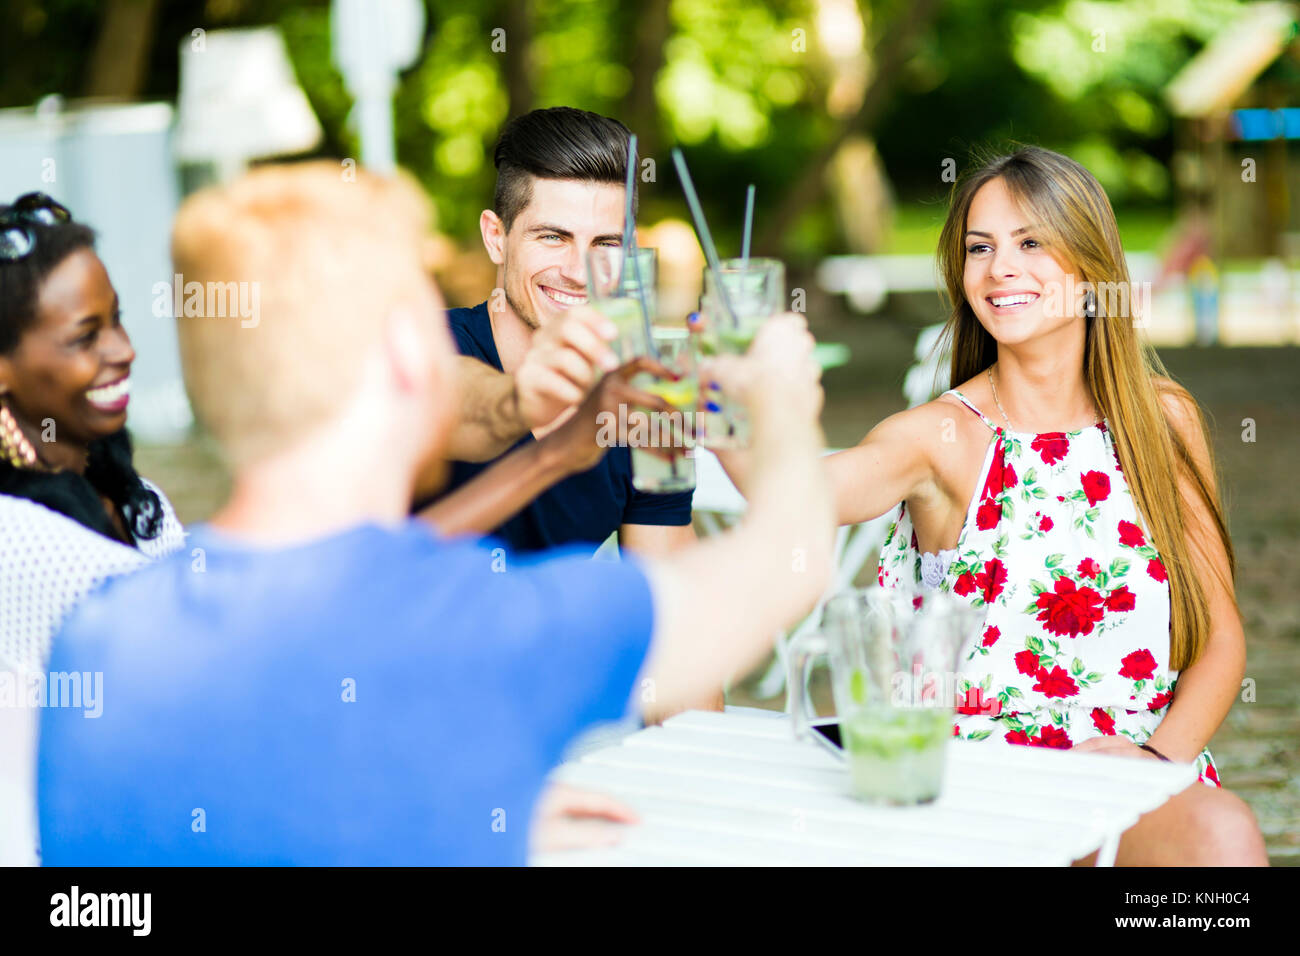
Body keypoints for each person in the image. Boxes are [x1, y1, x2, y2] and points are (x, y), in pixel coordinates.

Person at [36, 161, 833, 865]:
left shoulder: (100, 633)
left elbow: (292, 778)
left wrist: (456, 817)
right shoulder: (488, 629)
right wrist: (784, 411)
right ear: (409, 360)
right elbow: (785, 560)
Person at [723, 146, 1267, 866]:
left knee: (1221, 836)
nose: (1000, 268)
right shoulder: (941, 437)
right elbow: (798, 492)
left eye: (1031, 242)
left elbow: (1220, 641)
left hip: (1135, 769)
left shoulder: (1161, 423)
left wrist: (1154, 763)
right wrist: (721, 394)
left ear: (1091, 263)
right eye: (980, 248)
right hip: (982, 786)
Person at [425, 106, 697, 559]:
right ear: (496, 237)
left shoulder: (641, 398)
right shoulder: (428, 351)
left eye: (605, 244)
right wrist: (523, 402)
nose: (578, 272)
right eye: (553, 237)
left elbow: (670, 594)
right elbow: (455, 399)